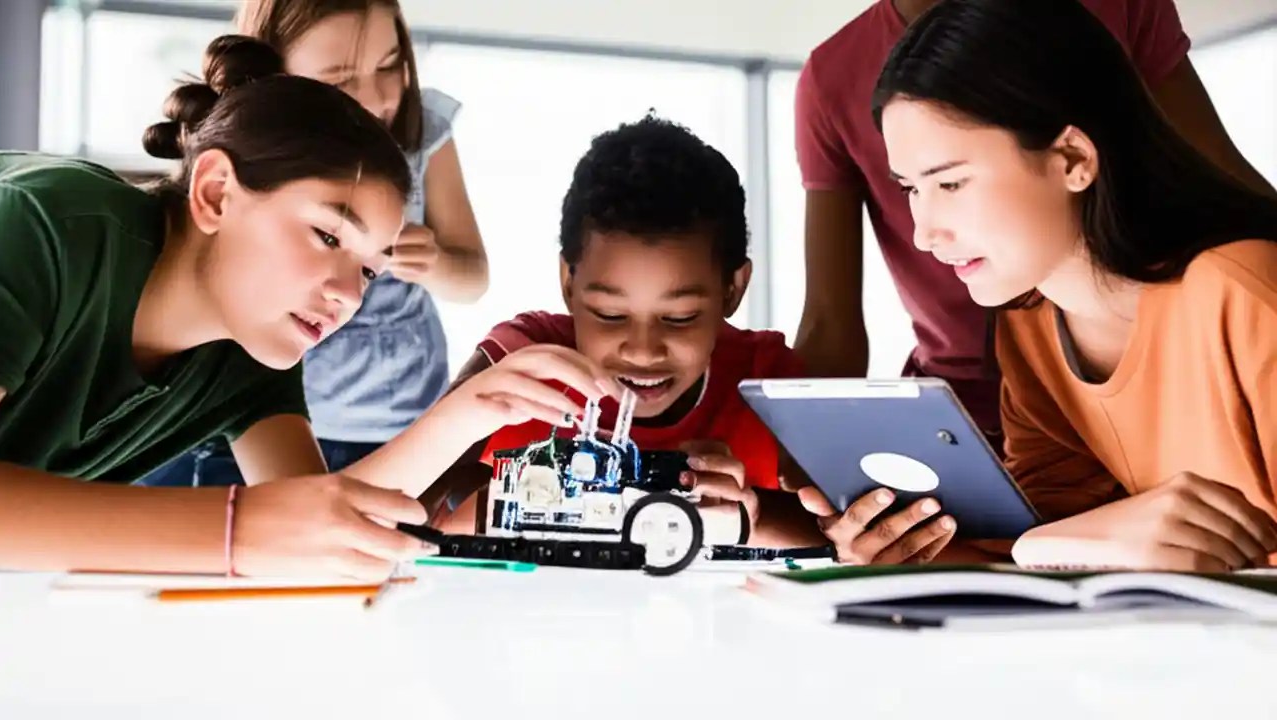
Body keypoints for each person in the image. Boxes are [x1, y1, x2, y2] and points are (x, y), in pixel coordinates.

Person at [0, 36, 614, 578]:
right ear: (216, 193)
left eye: (370, 270)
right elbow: (267, 526)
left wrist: (470, 412)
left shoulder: (246, 356)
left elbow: (320, 513)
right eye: (327, 235)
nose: (348, 295)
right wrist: (236, 530)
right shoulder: (43, 227)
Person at [791, 0, 1274, 562]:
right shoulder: (1029, 330)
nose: (923, 234)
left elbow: (1053, 545)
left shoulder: (1245, 298)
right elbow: (1037, 546)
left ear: (1072, 157)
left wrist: (1068, 541)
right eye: (909, 189)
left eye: (950, 185)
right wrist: (899, 550)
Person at [429, 115, 885, 548]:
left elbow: (843, 532)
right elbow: (411, 499)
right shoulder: (519, 360)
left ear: (733, 289)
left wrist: (754, 517)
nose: (643, 351)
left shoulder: (766, 383)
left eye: (679, 318)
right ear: (568, 282)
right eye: (610, 314)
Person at [144, 0, 487, 486]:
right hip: (270, 418)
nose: (374, 97)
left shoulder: (423, 131)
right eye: (341, 79)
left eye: (390, 65)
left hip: (393, 418)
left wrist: (432, 261)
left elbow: (473, 276)